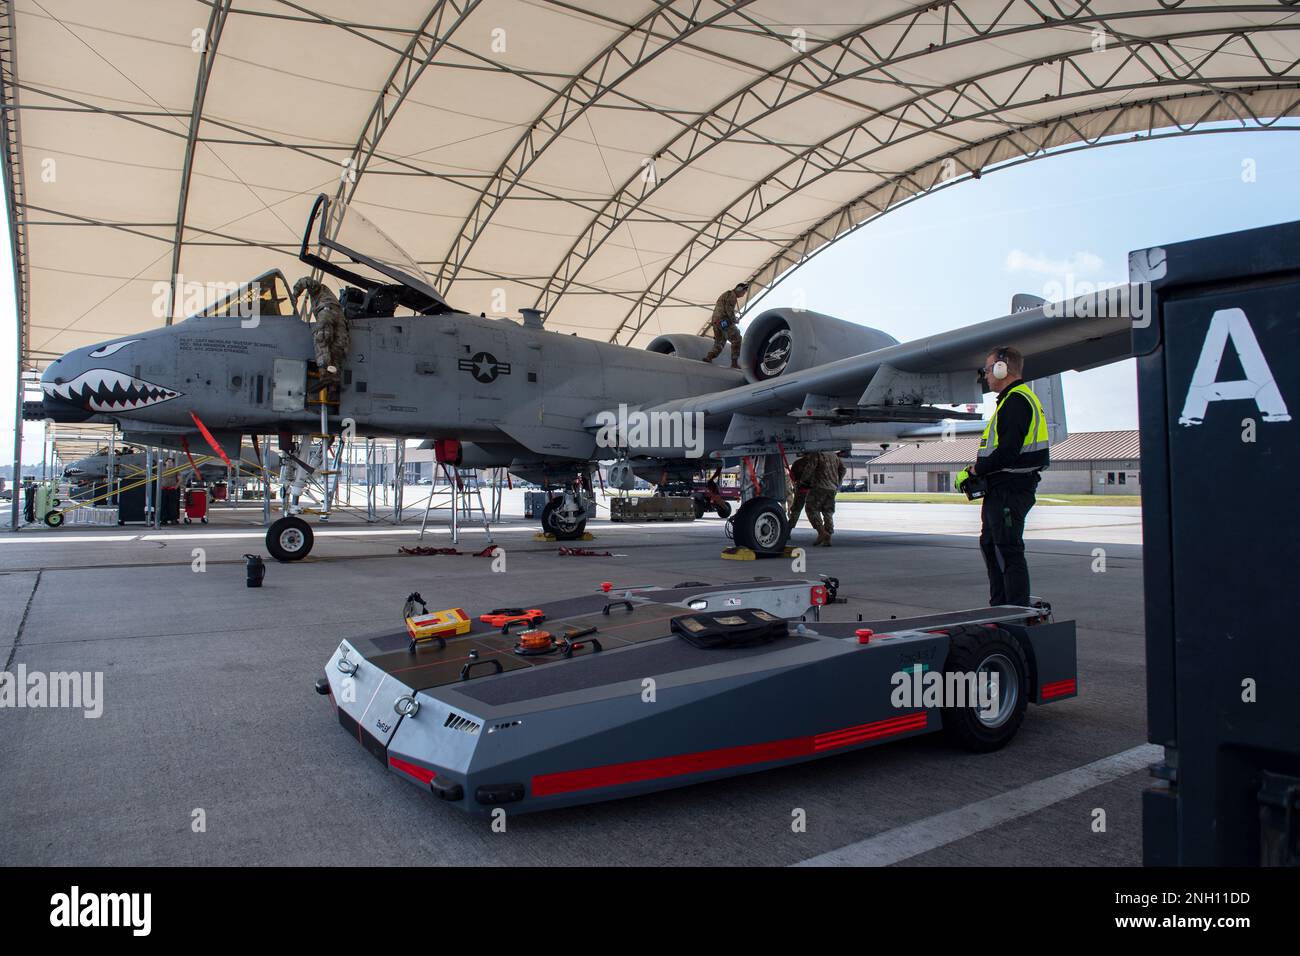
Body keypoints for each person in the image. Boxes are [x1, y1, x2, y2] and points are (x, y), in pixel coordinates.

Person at [956, 346, 1050, 607]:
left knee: (1007, 550)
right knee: (991, 545)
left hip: (1011, 488)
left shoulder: (1017, 401)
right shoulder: (1011, 401)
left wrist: (975, 470)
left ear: (1002, 368)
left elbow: (1008, 451)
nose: (985, 376)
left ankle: (1014, 611)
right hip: (1001, 488)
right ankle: (999, 607)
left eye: (987, 370)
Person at [292, 276, 351, 390]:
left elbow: (304, 281)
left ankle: (324, 374)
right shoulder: (330, 296)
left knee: (321, 337)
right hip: (340, 318)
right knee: (337, 347)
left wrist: (295, 295)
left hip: (326, 312)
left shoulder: (318, 289)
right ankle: (333, 381)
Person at [804, 450, 846, 547]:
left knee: (811, 509)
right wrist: (837, 482)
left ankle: (821, 532)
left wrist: (803, 481)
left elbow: (809, 469)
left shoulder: (818, 454)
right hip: (832, 488)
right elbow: (843, 469)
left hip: (819, 487)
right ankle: (828, 538)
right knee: (828, 512)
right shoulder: (834, 456)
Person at [702, 282, 748, 368]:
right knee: (737, 339)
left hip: (716, 322)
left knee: (719, 342)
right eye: (743, 292)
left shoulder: (726, 294)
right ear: (739, 289)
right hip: (724, 321)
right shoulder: (732, 296)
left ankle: (709, 357)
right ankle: (734, 363)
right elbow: (729, 310)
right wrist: (734, 320)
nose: (743, 295)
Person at [787, 453, 813, 529]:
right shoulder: (814, 463)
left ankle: (788, 530)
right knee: (814, 512)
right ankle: (822, 532)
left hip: (801, 490)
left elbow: (792, 476)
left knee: (795, 512)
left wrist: (797, 482)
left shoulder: (797, 463)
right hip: (813, 491)